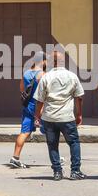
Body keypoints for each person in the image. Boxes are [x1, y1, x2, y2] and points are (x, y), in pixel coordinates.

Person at [33, 51, 85, 181]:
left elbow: (39, 100)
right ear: (63, 62)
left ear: (51, 62)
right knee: (73, 143)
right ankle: (75, 171)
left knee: (52, 145)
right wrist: (79, 114)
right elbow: (79, 97)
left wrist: (37, 116)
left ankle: (57, 172)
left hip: (49, 117)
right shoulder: (72, 76)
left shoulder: (46, 77)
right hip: (67, 117)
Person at [9, 51, 47, 168]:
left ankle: (15, 157)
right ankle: (56, 157)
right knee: (51, 132)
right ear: (43, 61)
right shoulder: (43, 75)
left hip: (28, 106)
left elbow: (22, 89)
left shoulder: (26, 73)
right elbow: (45, 93)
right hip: (39, 107)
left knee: (24, 132)